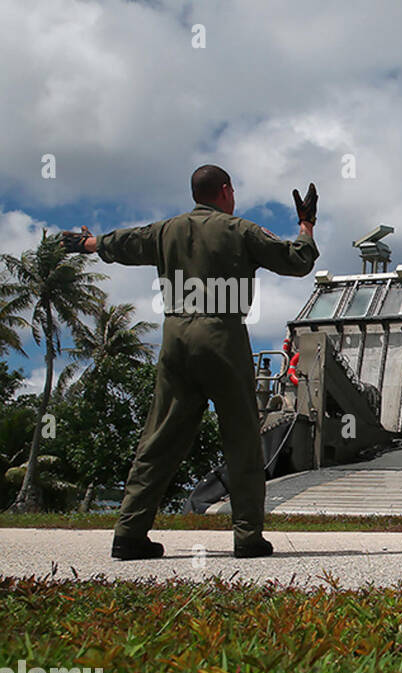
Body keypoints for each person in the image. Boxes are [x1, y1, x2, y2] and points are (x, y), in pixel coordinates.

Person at [59, 165, 319, 560]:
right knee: (242, 438)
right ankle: (247, 537)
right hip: (223, 334)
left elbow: (125, 243)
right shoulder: (240, 230)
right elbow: (296, 262)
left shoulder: (166, 230)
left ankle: (129, 533)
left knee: (159, 438)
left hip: (175, 336)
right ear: (226, 191)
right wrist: (306, 225)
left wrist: (89, 243)